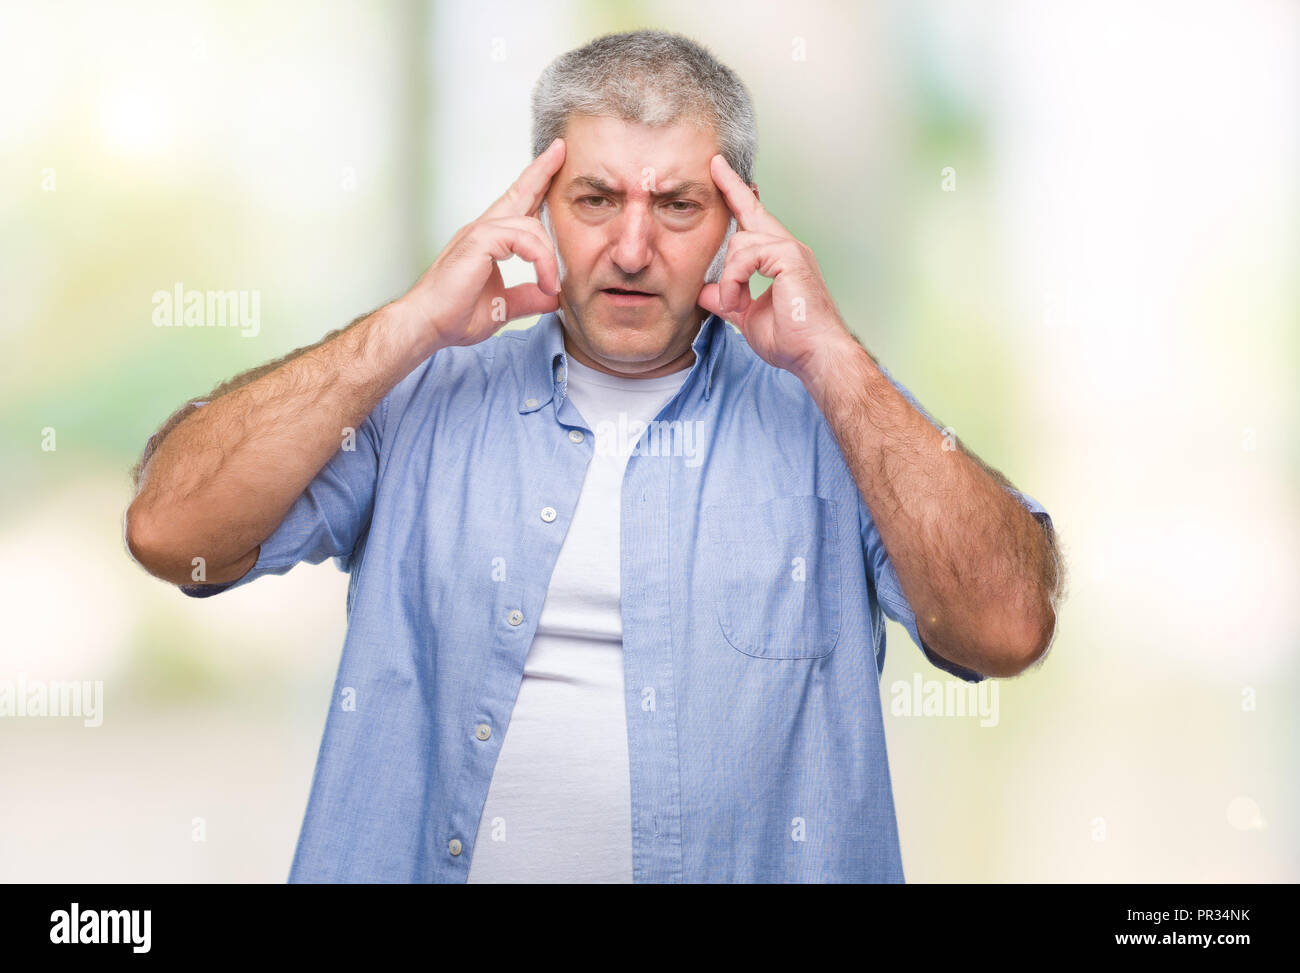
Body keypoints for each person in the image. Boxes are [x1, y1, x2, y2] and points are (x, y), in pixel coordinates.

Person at [125, 30, 1063, 883]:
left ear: (739, 223)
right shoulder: (414, 401)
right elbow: (172, 531)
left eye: (679, 204)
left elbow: (1006, 628)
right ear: (539, 205)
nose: (632, 245)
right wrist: (411, 321)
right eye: (596, 197)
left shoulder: (841, 424)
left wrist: (833, 355)